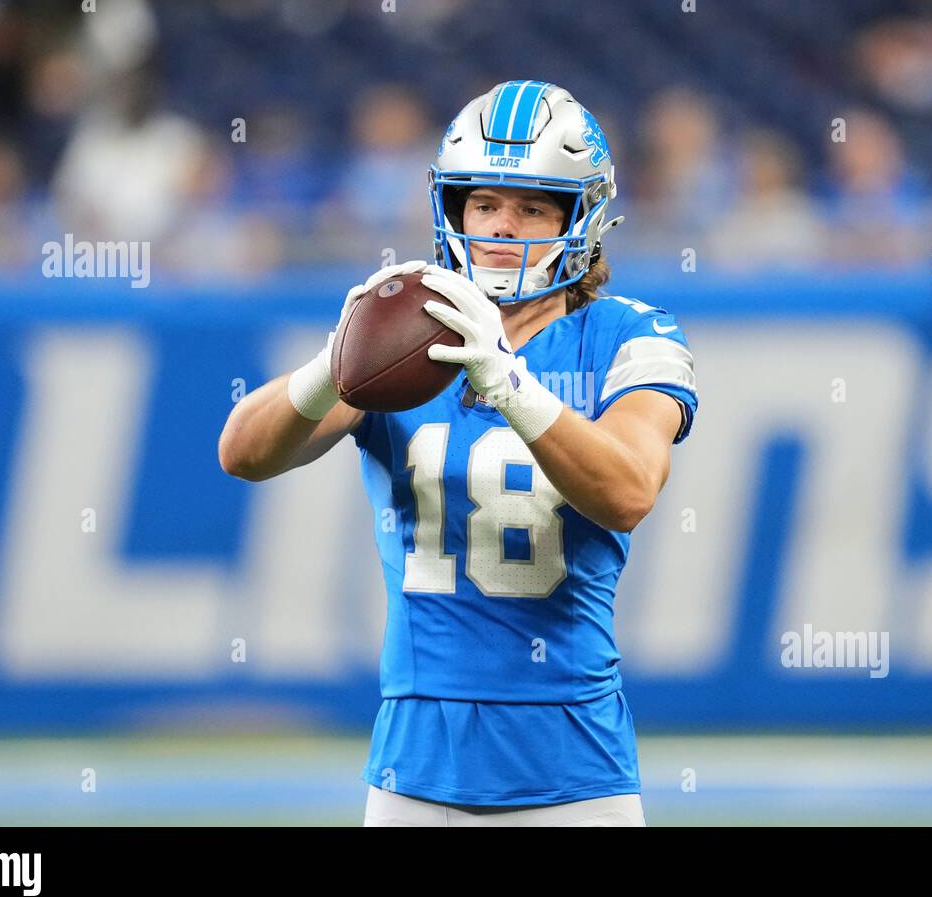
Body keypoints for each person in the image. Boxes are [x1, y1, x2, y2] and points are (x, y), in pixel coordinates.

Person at [219, 80, 699, 826]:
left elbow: (629, 489)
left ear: (582, 217)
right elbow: (243, 454)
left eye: (532, 206)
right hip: (411, 766)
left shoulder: (629, 336)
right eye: (483, 204)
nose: (502, 227)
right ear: (452, 211)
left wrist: (509, 382)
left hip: (570, 770)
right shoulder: (413, 340)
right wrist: (334, 362)